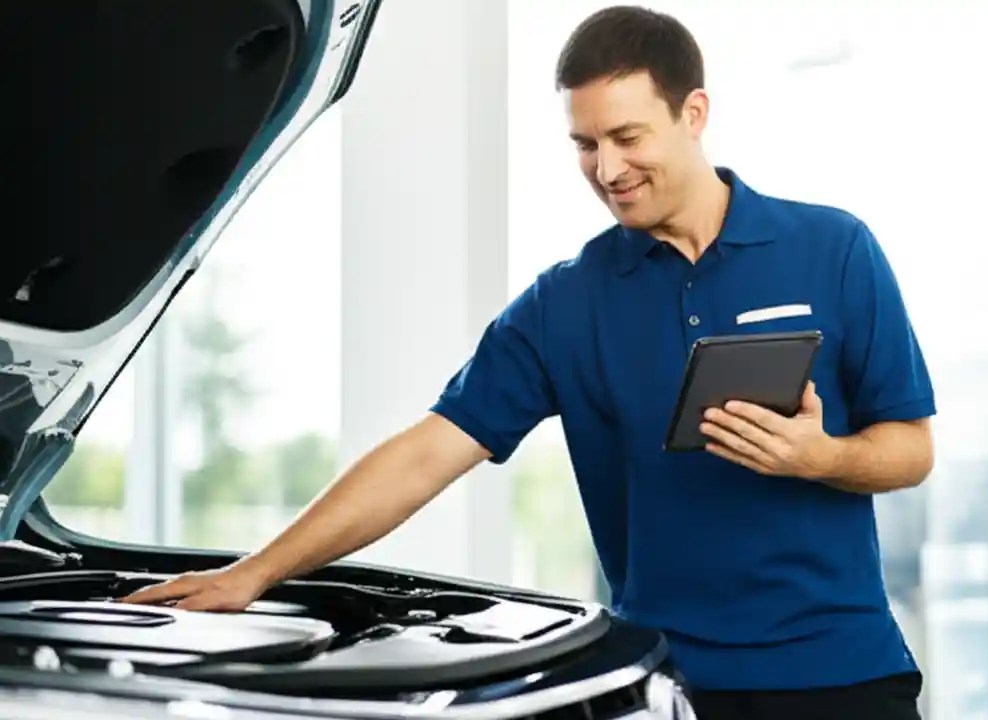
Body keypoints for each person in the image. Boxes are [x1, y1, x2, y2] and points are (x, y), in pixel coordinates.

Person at [121, 6, 936, 718]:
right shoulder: (565, 302)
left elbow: (911, 449)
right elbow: (426, 453)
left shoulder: (833, 250)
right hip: (666, 683)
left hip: (842, 674)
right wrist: (256, 572)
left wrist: (822, 457)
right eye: (584, 144)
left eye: (627, 136)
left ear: (694, 112)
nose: (607, 170)